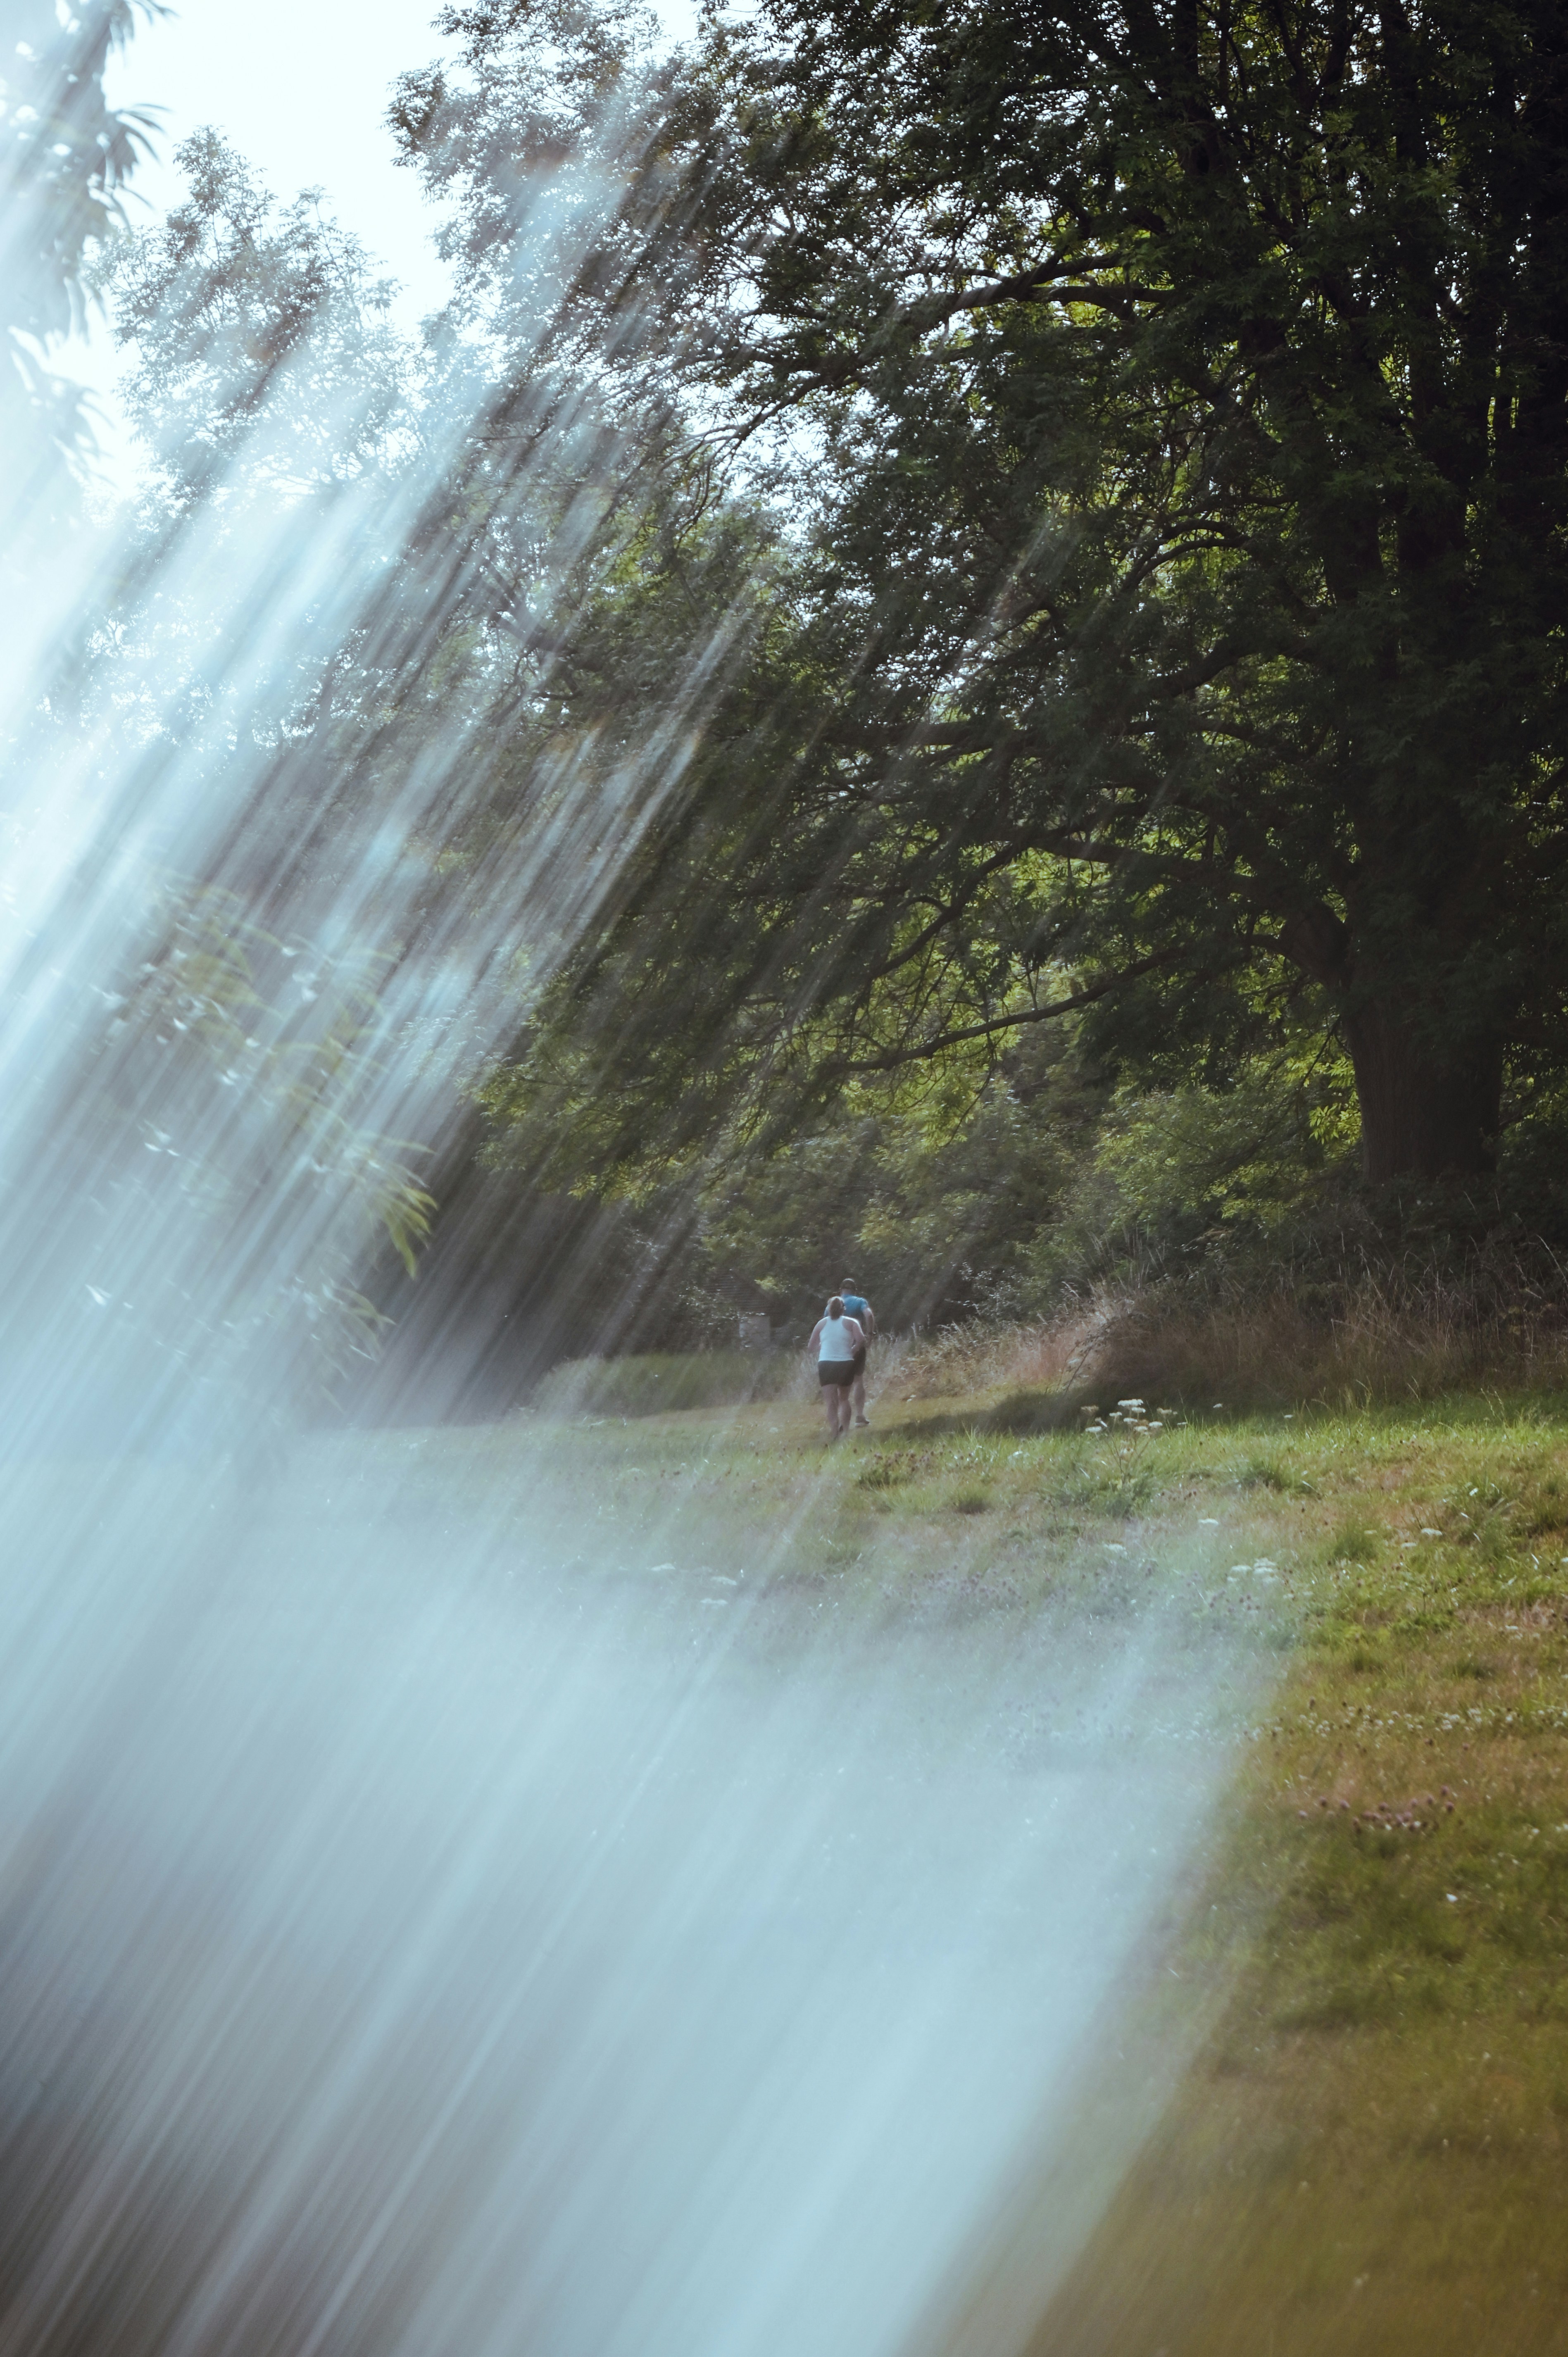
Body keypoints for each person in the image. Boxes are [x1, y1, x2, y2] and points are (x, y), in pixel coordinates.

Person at [807, 1295, 866, 1440]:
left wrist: (823, 1347)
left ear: (828, 1309)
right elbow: (862, 1340)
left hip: (826, 1363)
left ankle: (834, 1433)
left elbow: (810, 1347)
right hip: (845, 1363)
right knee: (844, 1399)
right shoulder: (852, 1322)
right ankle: (845, 1432)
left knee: (831, 1402)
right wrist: (853, 1349)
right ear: (843, 1309)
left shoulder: (821, 1324)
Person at [837, 1276, 877, 1426]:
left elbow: (825, 1323)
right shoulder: (860, 1301)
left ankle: (840, 1420)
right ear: (855, 1290)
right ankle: (860, 1416)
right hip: (857, 1346)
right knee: (858, 1380)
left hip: (838, 1349)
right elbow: (869, 1315)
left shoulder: (832, 1304)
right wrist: (870, 1333)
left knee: (841, 1384)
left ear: (841, 1290)